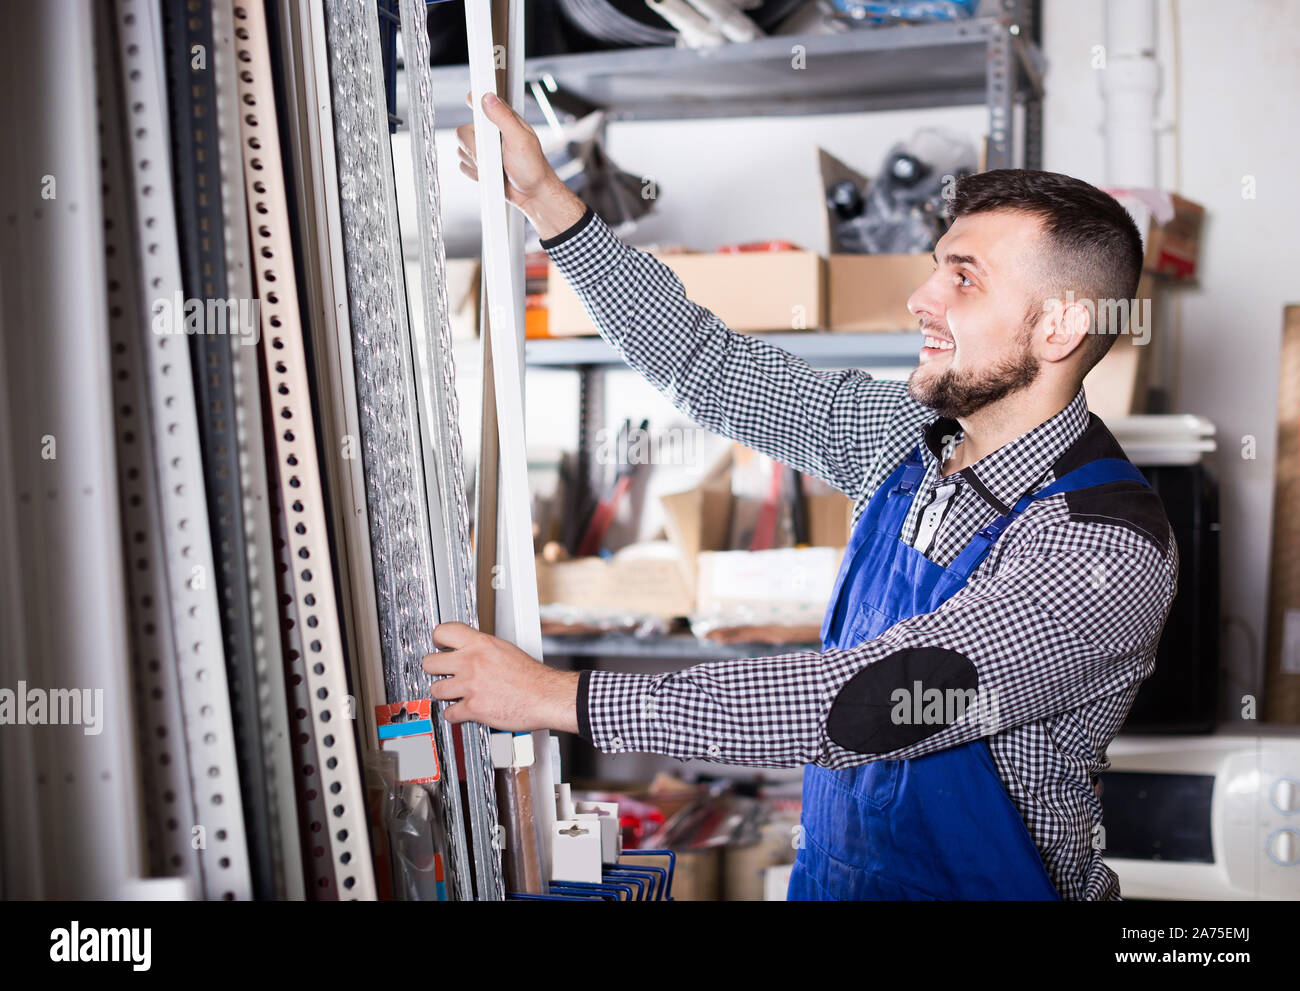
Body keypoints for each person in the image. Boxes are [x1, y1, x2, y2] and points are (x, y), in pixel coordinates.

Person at [423, 92, 1178, 901]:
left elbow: (870, 703)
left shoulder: (1101, 547)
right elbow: (705, 363)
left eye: (963, 277)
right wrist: (546, 200)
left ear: (1058, 328)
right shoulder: (908, 439)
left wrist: (557, 696)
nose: (922, 298)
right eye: (935, 267)